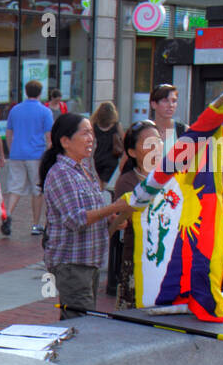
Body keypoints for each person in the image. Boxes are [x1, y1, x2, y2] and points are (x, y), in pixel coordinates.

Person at [40, 112, 131, 317]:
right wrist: (113, 207)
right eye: (85, 133)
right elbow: (75, 219)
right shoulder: (61, 172)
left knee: (80, 321)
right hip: (72, 263)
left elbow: (90, 211)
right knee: (81, 324)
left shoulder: (84, 169)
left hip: (89, 261)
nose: (91, 139)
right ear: (65, 141)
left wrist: (112, 218)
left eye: (92, 133)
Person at [108, 120, 162, 309]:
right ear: (132, 152)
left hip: (167, 258)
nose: (156, 147)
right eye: (148, 144)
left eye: (158, 141)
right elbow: (123, 219)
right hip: (139, 258)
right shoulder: (127, 181)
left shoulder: (174, 176)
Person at [3, 80, 55, 237]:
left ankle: (8, 215)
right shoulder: (45, 112)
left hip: (17, 154)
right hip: (36, 155)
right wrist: (49, 155)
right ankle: (35, 224)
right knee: (37, 190)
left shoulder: (15, 110)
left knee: (15, 187)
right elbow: (49, 137)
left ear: (26, 92)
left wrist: (12, 149)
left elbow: (9, 133)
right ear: (40, 92)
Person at [90, 101, 123, 188]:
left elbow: (92, 142)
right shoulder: (116, 125)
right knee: (107, 183)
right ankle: (106, 198)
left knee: (99, 182)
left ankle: (101, 197)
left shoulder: (95, 126)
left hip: (98, 157)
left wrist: (89, 159)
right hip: (112, 158)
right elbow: (124, 140)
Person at [149, 84, 187, 153]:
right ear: (153, 104)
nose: (171, 105)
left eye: (174, 101)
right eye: (165, 100)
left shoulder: (184, 130)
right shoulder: (143, 130)